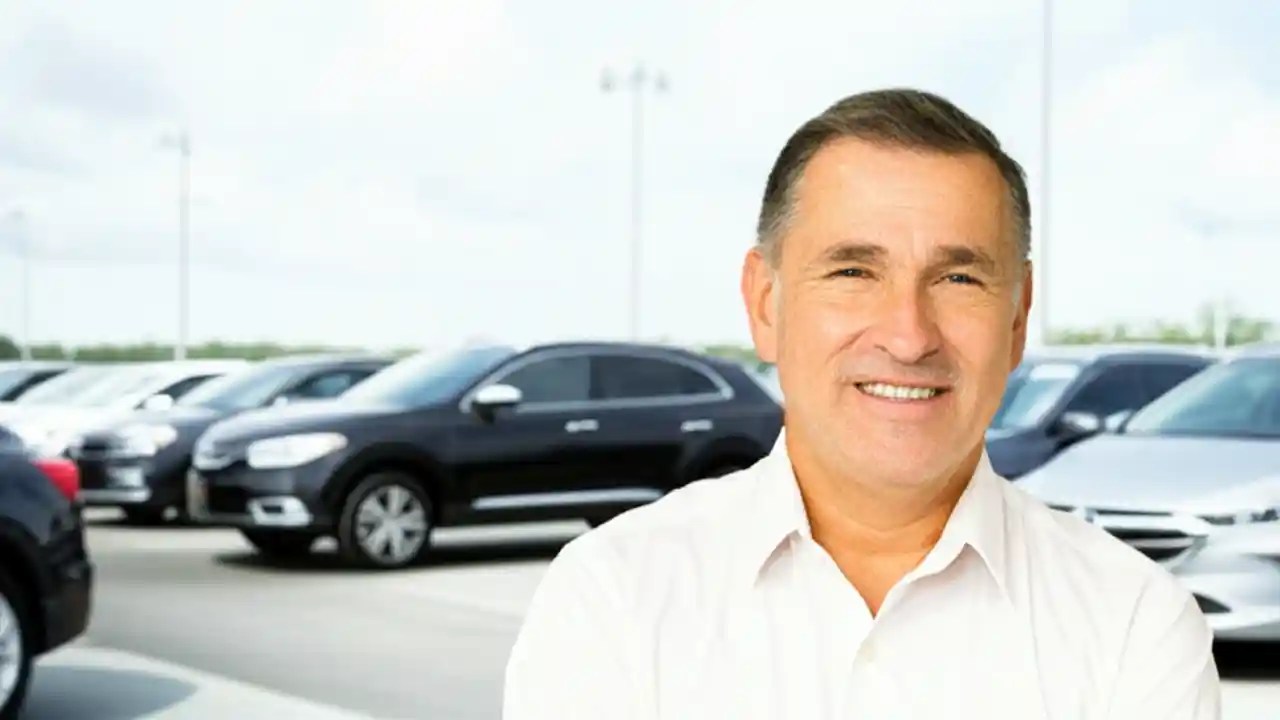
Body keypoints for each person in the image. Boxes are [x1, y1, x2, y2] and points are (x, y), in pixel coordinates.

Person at [503, 88, 1220, 719]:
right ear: (765, 302)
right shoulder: (613, 599)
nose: (909, 336)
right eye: (852, 270)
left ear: (1017, 315)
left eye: (959, 279)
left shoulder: (1133, 623)